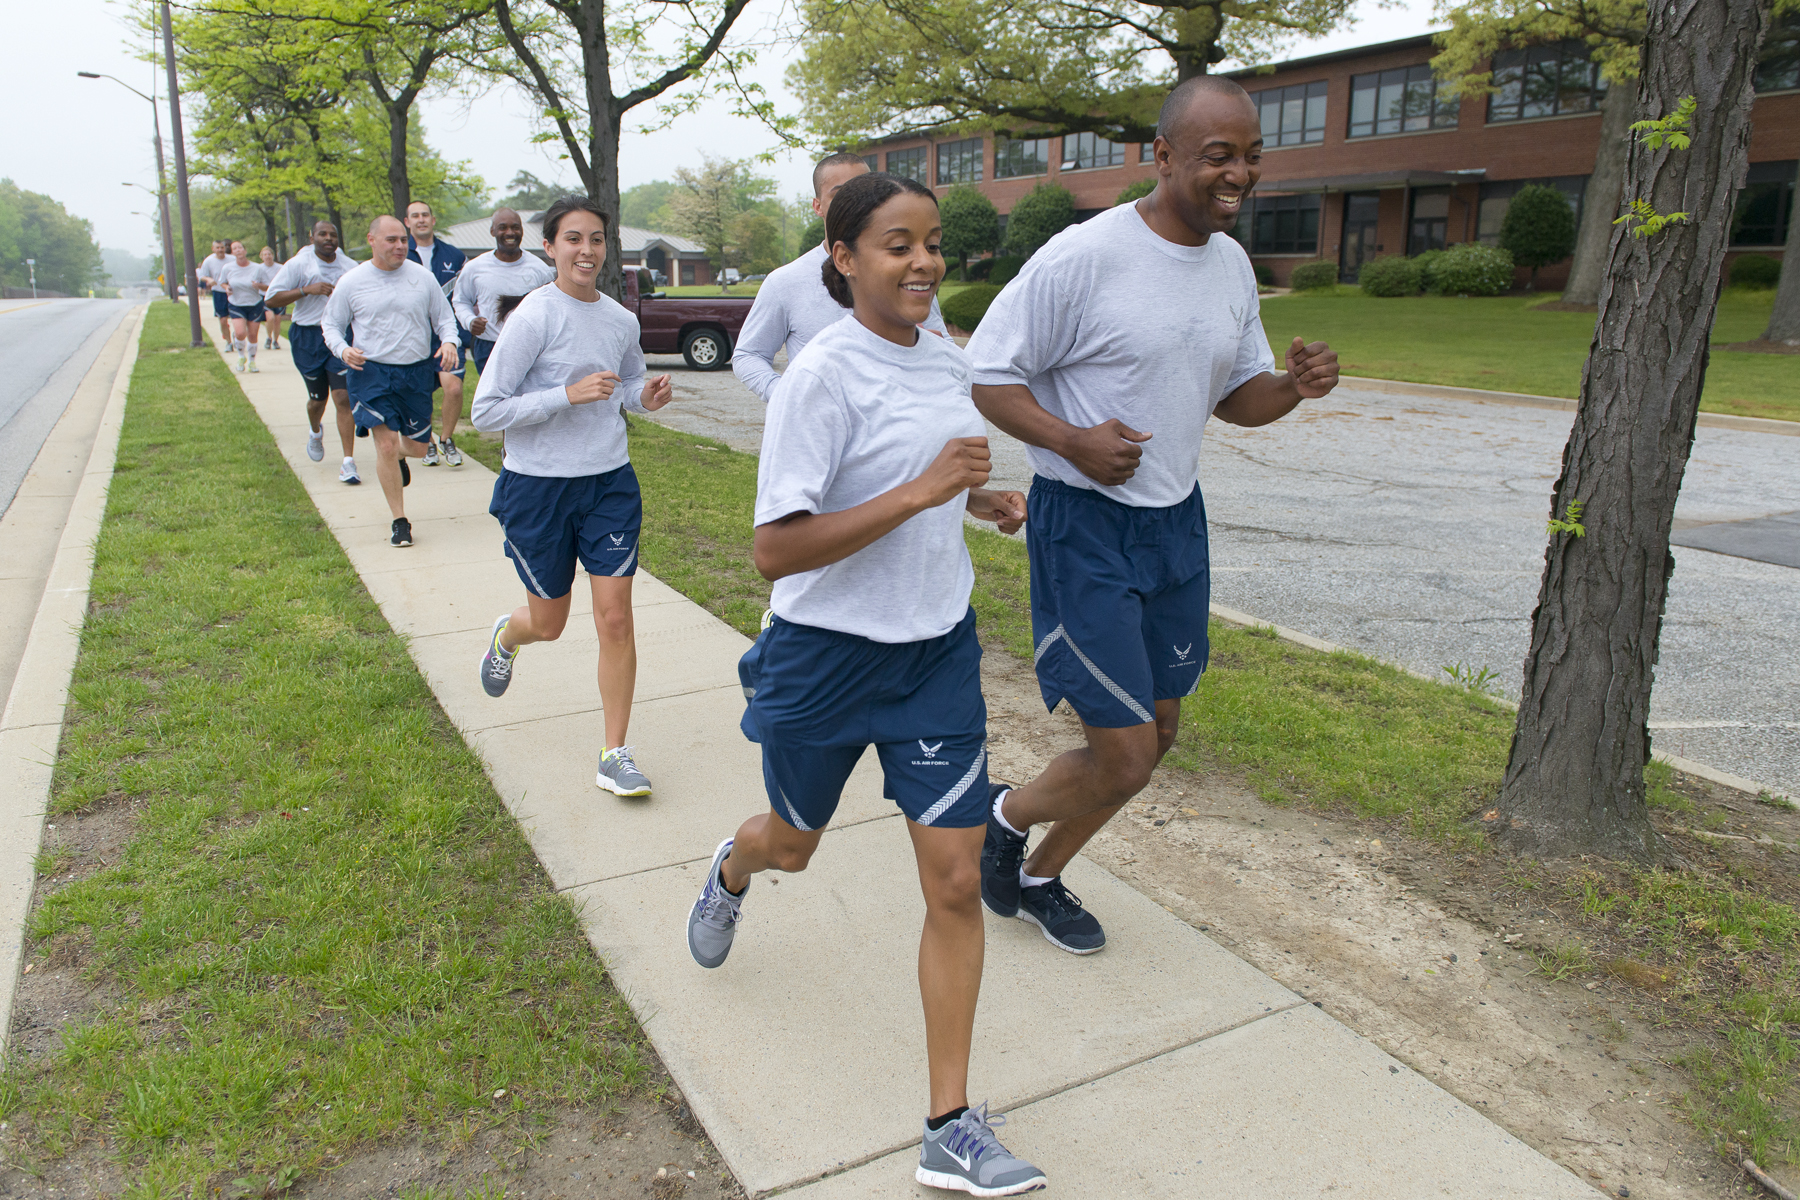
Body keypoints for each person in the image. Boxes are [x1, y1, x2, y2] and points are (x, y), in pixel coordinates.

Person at [686, 172, 1044, 1198]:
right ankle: (734, 867)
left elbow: (927, 479)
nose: (924, 262)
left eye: (931, 242)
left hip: (933, 653)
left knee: (955, 881)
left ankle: (949, 1125)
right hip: (825, 657)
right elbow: (775, 549)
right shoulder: (821, 377)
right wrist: (923, 490)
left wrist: (974, 500)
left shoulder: (946, 358)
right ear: (843, 259)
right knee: (792, 844)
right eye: (898, 245)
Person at [967, 75, 1340, 955]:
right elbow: (988, 374)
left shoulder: (1231, 264)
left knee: (1159, 733)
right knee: (1126, 753)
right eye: (1219, 156)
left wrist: (1292, 386)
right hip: (1086, 523)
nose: (1239, 174)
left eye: (1252, 156)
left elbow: (1236, 398)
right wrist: (1072, 441)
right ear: (1164, 156)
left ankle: (1038, 874)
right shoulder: (1084, 256)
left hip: (1176, 523)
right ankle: (1004, 813)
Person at [471, 196, 675, 798]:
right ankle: (508, 635)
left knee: (615, 617)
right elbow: (487, 411)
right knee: (549, 623)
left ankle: (614, 753)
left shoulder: (620, 320)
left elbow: (627, 384)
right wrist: (566, 395)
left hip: (609, 481)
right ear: (550, 247)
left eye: (596, 239)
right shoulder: (534, 316)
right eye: (573, 239)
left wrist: (645, 398)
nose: (587, 251)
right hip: (537, 487)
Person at [732, 152, 950, 402]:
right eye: (840, 194)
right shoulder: (784, 282)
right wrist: (787, 396)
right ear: (818, 206)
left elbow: (942, 342)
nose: (856, 203)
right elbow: (749, 354)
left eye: (866, 193)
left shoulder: (907, 274)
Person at [323, 215, 460, 548]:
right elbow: (331, 325)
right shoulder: (353, 281)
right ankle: (400, 521)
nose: (400, 246)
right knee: (384, 444)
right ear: (372, 240)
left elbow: (445, 319)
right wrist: (343, 350)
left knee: (417, 448)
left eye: (403, 240)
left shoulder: (422, 277)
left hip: (415, 373)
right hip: (371, 373)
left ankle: (400, 456)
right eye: (392, 240)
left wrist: (449, 342)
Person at [267, 221, 359, 481]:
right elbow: (271, 299)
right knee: (318, 400)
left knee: (343, 397)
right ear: (312, 237)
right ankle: (315, 431)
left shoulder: (349, 266)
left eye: (333, 235)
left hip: (339, 335)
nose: (328, 238)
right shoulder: (298, 264)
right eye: (322, 234)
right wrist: (306, 290)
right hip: (307, 336)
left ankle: (348, 462)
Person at [405, 199, 469, 467]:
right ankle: (428, 442)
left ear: (433, 220)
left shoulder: (454, 256)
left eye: (425, 215)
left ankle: (446, 439)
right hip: (413, 339)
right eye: (415, 216)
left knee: (453, 387)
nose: (421, 219)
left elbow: (466, 296)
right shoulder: (400, 255)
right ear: (407, 222)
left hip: (447, 337)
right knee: (421, 394)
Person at [453, 207, 553, 375]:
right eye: (503, 227)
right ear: (492, 231)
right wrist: (470, 321)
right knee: (492, 392)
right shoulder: (474, 268)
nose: (510, 232)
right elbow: (460, 301)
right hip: (488, 346)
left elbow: (550, 308)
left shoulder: (539, 269)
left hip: (526, 345)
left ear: (522, 230)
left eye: (515, 227)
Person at [218, 240, 271, 373]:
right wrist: (227, 288)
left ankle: (252, 361)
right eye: (234, 248)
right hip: (236, 303)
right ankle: (241, 357)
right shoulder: (227, 268)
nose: (238, 250)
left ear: (245, 251)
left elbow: (268, 286)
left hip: (254, 303)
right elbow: (222, 282)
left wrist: (258, 285)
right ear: (232, 253)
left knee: (252, 335)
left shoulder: (257, 268)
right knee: (240, 333)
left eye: (240, 248)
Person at [198, 239, 233, 344]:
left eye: (222, 247)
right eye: (217, 248)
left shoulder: (232, 259)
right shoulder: (208, 261)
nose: (220, 250)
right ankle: (229, 342)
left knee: (238, 319)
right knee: (223, 320)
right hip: (218, 292)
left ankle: (237, 336)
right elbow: (201, 276)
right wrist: (209, 279)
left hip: (233, 292)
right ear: (213, 249)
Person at [259, 245, 286, 349]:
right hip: (265, 296)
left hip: (278, 295)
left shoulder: (280, 268)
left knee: (277, 319)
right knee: (270, 317)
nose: (267, 256)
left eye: (269, 254)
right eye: (265, 254)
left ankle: (276, 340)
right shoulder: (259, 268)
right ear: (262, 257)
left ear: (273, 256)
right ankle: (269, 337)